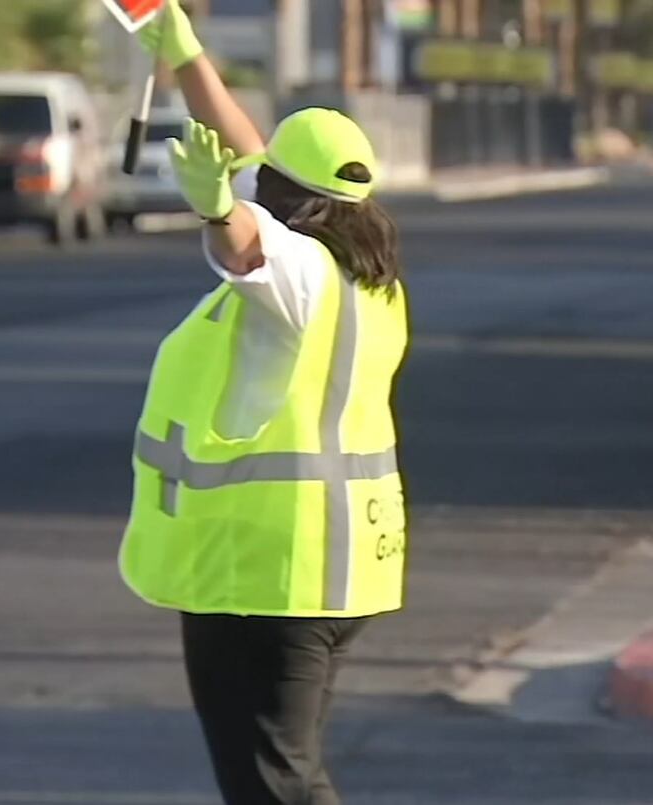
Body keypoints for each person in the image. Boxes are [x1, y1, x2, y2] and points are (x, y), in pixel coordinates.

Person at [117, 2, 409, 802]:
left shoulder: (301, 272)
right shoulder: (363, 272)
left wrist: (215, 209)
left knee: (270, 784)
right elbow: (249, 152)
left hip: (269, 575)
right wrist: (184, 53)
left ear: (284, 194)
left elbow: (246, 240)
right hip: (332, 571)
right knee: (289, 773)